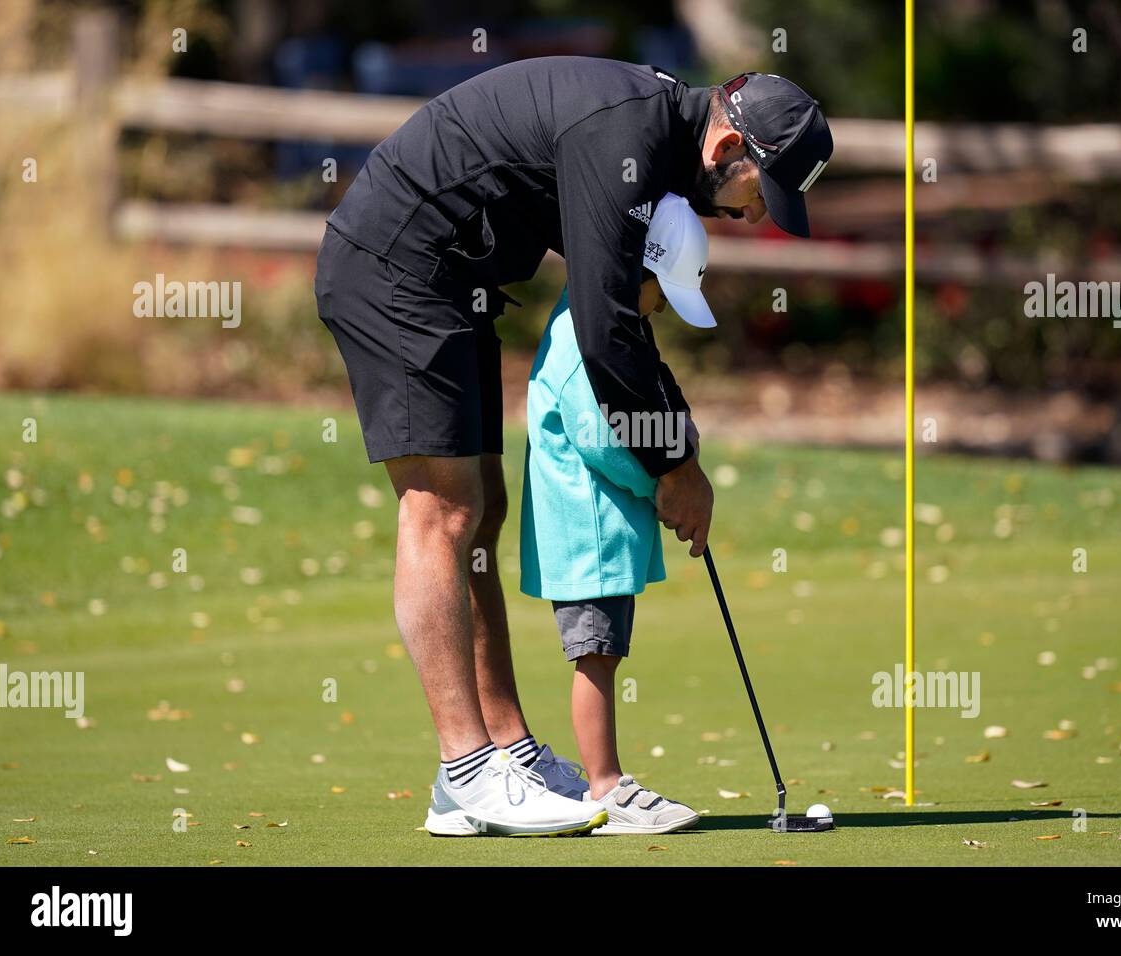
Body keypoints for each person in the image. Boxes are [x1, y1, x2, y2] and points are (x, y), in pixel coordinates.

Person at [314, 57, 833, 836]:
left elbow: (621, 319)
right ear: (727, 150)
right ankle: (465, 770)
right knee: (444, 514)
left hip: (451, 284)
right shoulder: (625, 137)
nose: (757, 217)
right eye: (763, 194)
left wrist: (677, 447)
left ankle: (505, 750)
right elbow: (607, 336)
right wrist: (675, 465)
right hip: (397, 267)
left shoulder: (653, 144)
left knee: (479, 515)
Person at [520, 193, 712, 834]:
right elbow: (603, 436)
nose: (661, 307)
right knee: (595, 655)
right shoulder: (586, 335)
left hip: (600, 529)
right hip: (587, 529)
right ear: (638, 269)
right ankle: (606, 785)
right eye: (662, 291)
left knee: (603, 652)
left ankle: (607, 781)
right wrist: (663, 480)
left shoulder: (612, 325)